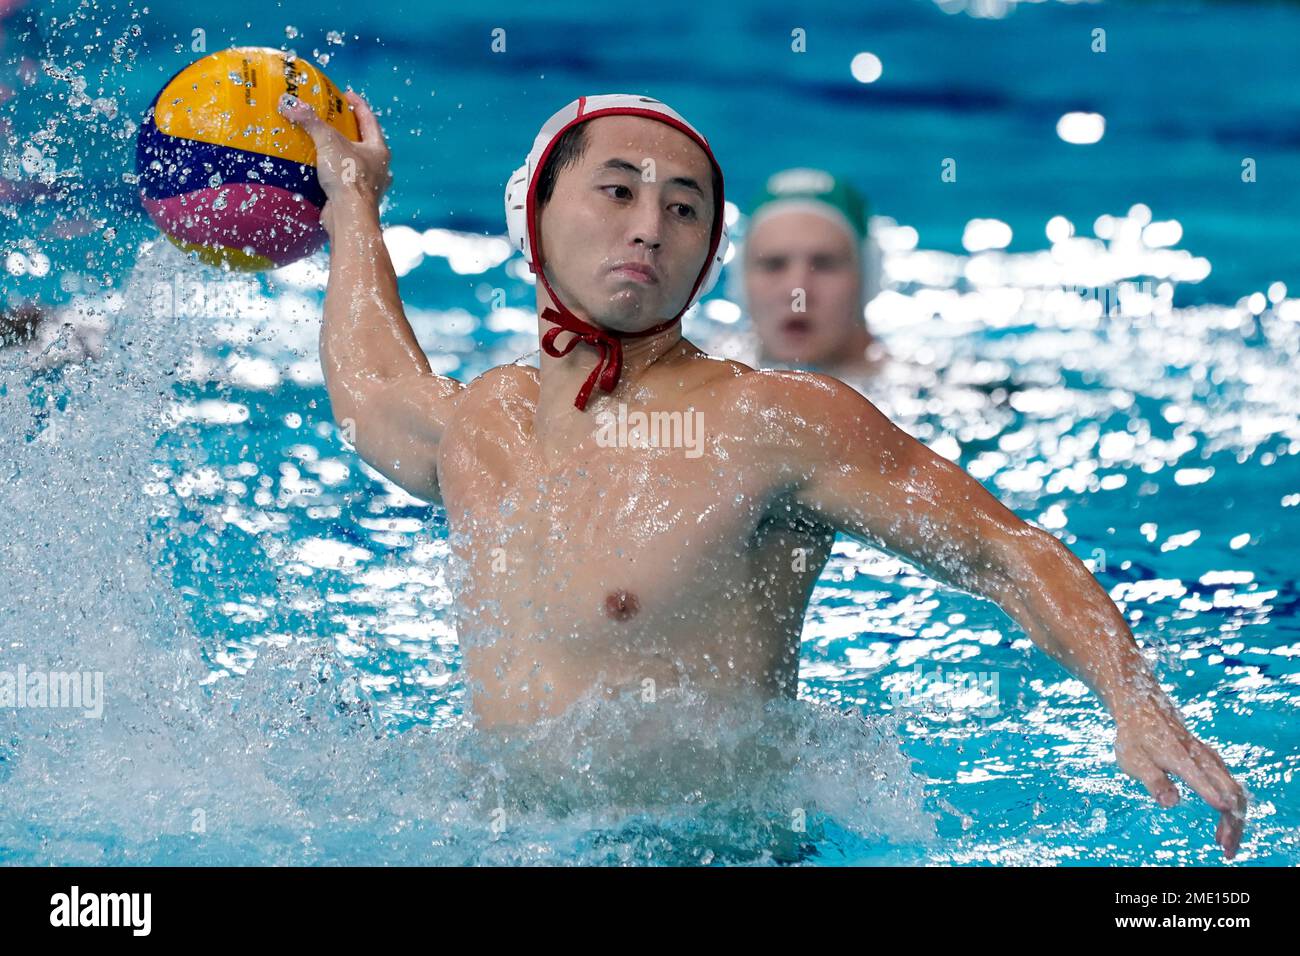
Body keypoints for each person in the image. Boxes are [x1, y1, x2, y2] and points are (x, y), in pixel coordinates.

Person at [277, 90, 1247, 858]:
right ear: (531, 215)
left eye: (683, 207)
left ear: (705, 255)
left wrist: (1131, 694)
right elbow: (373, 387)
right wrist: (353, 202)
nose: (650, 225)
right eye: (617, 191)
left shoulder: (772, 419)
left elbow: (1001, 549)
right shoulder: (486, 419)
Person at [739, 168, 887, 382]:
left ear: (869, 280)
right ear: (740, 282)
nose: (797, 290)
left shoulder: (924, 388)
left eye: (824, 264)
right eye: (774, 265)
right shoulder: (701, 380)